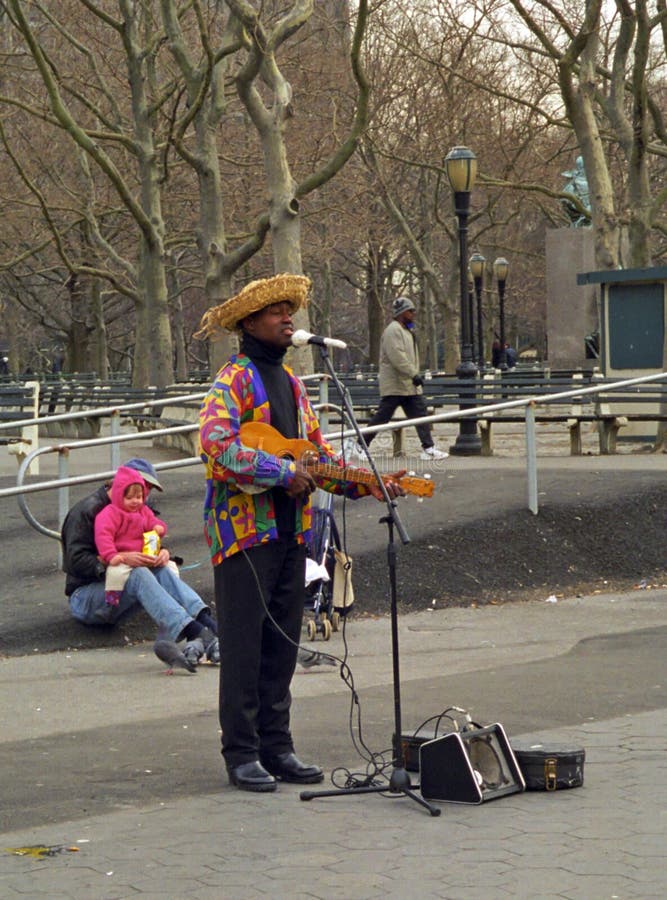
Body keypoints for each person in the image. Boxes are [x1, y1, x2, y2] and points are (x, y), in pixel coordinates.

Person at [197, 273, 404, 793]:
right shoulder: (234, 379)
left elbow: (319, 459)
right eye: (276, 312)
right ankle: (240, 752)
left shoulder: (292, 384)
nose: (289, 318)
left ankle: (277, 746)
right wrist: (282, 473)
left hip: (293, 534)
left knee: (283, 645)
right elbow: (216, 447)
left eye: (291, 311)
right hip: (244, 535)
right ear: (249, 323)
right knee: (244, 647)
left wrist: (369, 485)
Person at [61, 457, 219, 668]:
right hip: (85, 597)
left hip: (120, 588)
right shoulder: (87, 511)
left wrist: (162, 554)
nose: (144, 496)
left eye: (146, 491)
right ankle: (196, 632)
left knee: (161, 570)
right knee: (138, 574)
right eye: (144, 488)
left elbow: (146, 542)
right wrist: (119, 559)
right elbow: (74, 562)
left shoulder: (136, 506)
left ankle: (209, 625)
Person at [351, 297, 448, 460]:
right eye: (410, 311)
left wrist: (412, 376)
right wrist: (413, 374)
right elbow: (397, 356)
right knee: (382, 417)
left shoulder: (406, 330)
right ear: (402, 312)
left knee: (420, 415)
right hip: (396, 385)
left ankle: (428, 448)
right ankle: (360, 445)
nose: (413, 314)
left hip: (407, 386)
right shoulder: (393, 330)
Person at [94, 465, 168, 606]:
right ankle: (111, 601)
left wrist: (159, 528)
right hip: (122, 556)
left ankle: (168, 595)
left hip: (143, 554)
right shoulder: (110, 514)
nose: (135, 501)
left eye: (139, 497)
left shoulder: (143, 511)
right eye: (129, 498)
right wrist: (111, 555)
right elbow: (104, 536)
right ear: (119, 496)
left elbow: (153, 522)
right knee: (115, 573)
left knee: (169, 567)